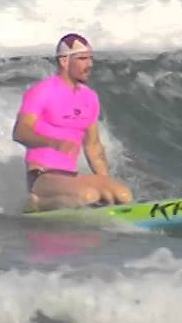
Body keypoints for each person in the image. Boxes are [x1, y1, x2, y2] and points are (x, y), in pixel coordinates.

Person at [12, 33, 134, 212]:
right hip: (42, 176)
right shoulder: (41, 92)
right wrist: (54, 143)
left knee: (123, 196)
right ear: (64, 61)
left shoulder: (89, 97)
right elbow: (20, 132)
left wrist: (105, 183)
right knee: (88, 196)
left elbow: (93, 146)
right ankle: (37, 203)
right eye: (82, 59)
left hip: (71, 177)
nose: (89, 64)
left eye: (90, 59)